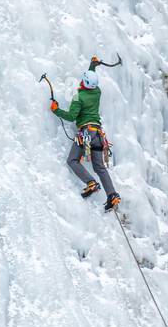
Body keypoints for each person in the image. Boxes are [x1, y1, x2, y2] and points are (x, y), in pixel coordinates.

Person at [51, 56, 121, 212]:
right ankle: (112, 195)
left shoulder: (78, 97)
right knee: (100, 167)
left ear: (83, 82)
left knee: (72, 160)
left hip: (86, 134)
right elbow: (90, 82)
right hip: (98, 134)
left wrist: (56, 110)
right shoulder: (97, 92)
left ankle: (90, 183)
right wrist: (92, 66)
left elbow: (71, 116)